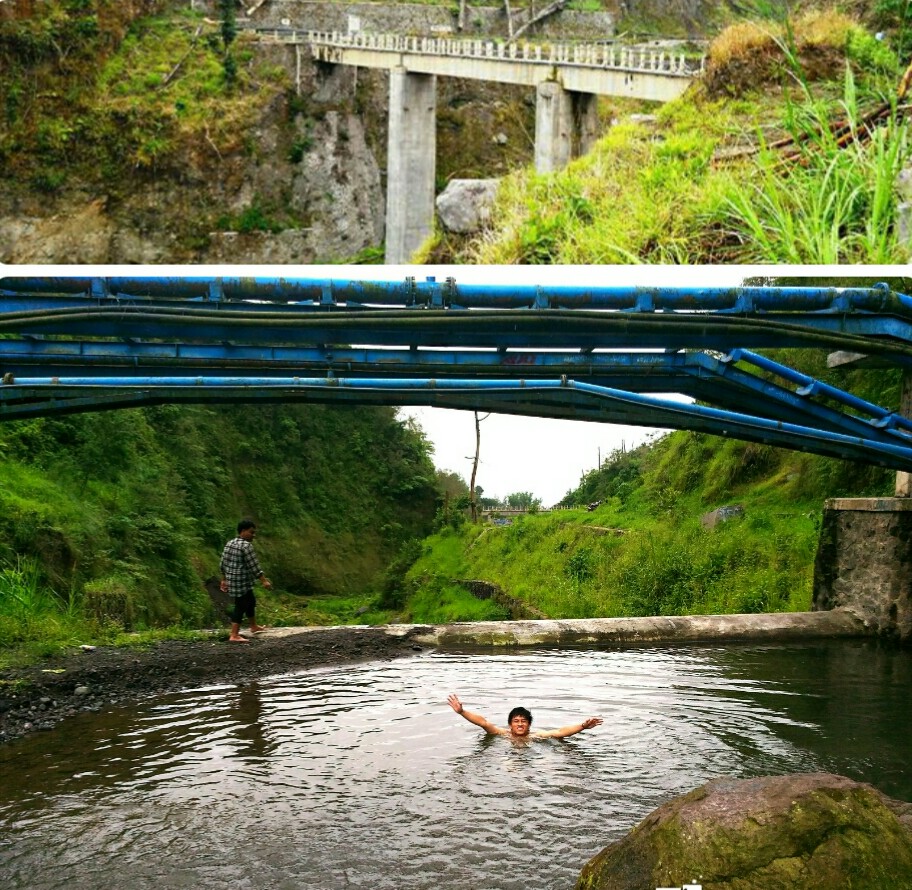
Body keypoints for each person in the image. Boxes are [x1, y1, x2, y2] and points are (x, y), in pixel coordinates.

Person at [447, 694, 602, 739]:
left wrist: (583, 726)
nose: (520, 724)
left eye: (523, 721)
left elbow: (560, 732)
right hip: (510, 758)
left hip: (532, 758)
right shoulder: (502, 734)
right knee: (509, 767)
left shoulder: (537, 736)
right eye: (516, 721)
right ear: (510, 724)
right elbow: (484, 723)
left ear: (529, 725)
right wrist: (462, 712)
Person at [220, 519, 273, 643]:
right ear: (243, 531)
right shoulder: (246, 546)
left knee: (251, 601)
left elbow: (223, 563)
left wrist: (224, 579)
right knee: (240, 605)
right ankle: (234, 634)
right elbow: (254, 566)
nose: (253, 535)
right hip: (241, 581)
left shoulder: (230, 543)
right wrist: (264, 581)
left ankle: (253, 626)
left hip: (233, 580)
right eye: (251, 532)